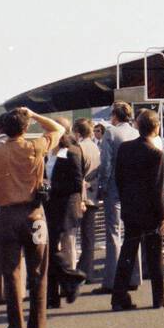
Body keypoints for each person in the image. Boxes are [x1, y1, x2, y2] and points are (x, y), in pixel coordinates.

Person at [0, 107, 64, 328]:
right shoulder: (36, 146)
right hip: (35, 215)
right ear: (26, 128)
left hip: (7, 216)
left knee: (12, 273)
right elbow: (58, 128)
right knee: (39, 271)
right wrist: (34, 114)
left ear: (3, 129)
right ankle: (38, 325)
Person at [111, 109, 164, 310]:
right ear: (156, 128)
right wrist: (163, 216)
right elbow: (157, 188)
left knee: (128, 252)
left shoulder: (125, 149)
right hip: (150, 211)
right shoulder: (156, 154)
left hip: (130, 208)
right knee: (154, 255)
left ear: (137, 126)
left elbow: (119, 178)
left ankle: (118, 297)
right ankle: (158, 298)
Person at [94, 103, 138, 295]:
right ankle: (134, 276)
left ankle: (112, 280)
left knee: (114, 233)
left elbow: (105, 164)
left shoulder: (110, 133)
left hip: (115, 186)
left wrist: (102, 185)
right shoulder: (136, 133)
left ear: (114, 116)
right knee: (132, 231)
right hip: (133, 187)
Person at [46, 120, 89, 308]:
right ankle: (59, 289)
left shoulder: (70, 150)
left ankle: (70, 277)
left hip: (63, 205)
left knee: (52, 249)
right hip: (52, 204)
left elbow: (76, 181)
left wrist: (52, 187)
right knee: (50, 248)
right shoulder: (55, 151)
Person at [73, 119, 101, 283]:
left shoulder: (79, 148)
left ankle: (80, 272)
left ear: (77, 132)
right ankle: (87, 271)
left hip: (79, 197)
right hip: (92, 194)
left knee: (71, 236)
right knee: (89, 238)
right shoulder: (95, 147)